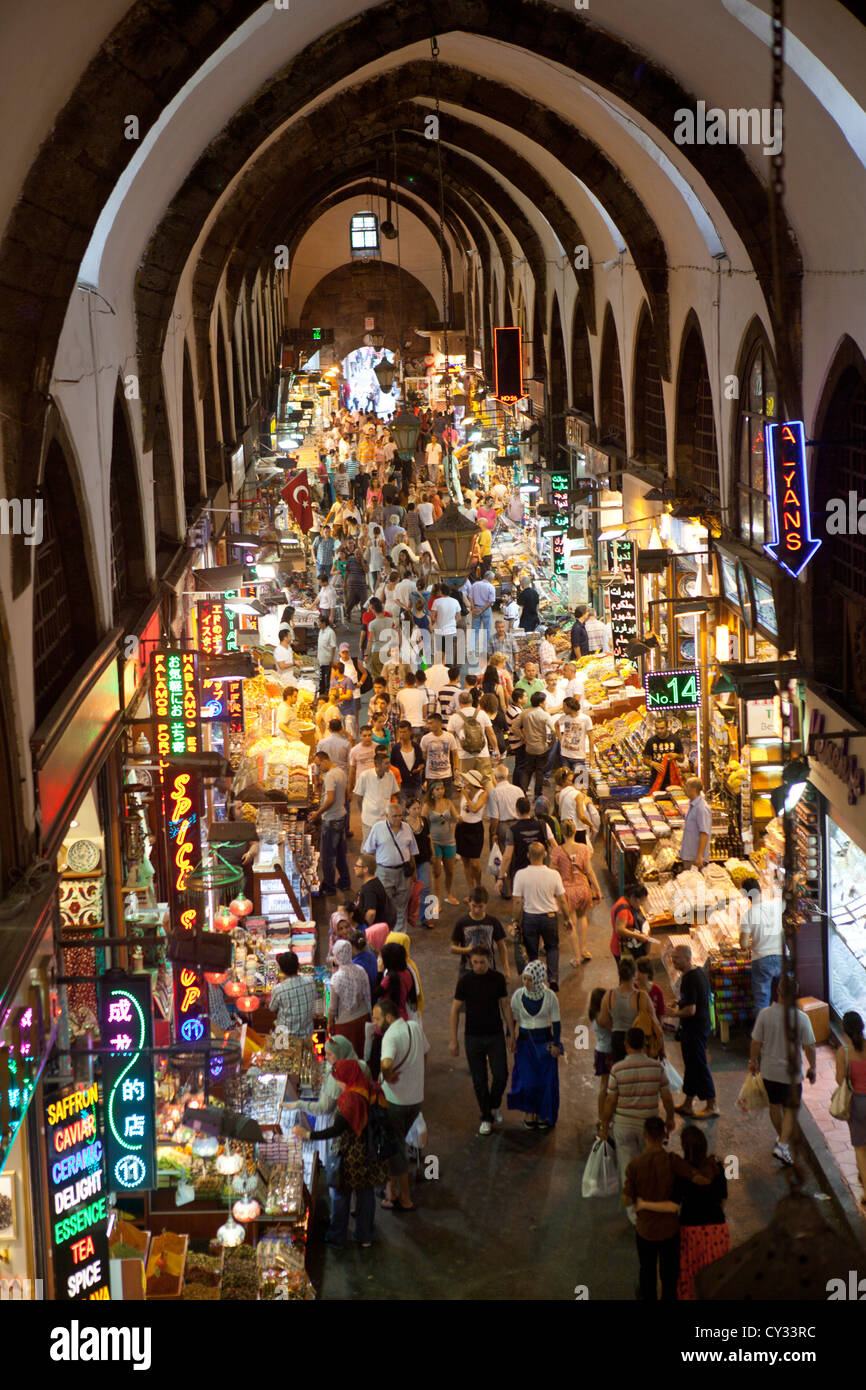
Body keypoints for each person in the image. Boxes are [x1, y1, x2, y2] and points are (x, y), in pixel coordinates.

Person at [291, 1059, 387, 1248]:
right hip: (370, 1151)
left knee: (341, 1194)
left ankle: (337, 1237)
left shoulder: (349, 1099)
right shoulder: (372, 1088)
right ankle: (365, 1236)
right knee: (366, 1194)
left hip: (351, 1155)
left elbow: (336, 1130)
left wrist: (308, 1134)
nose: (337, 1082)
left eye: (338, 1079)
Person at [600, 1027, 676, 1224]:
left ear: (626, 1045)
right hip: (649, 1129)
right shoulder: (657, 1068)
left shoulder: (617, 1069)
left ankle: (635, 1216)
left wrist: (604, 1125)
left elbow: (610, 1102)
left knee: (628, 1169)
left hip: (623, 1127)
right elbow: (667, 1097)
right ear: (645, 1044)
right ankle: (651, 1205)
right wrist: (670, 1118)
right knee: (650, 1168)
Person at [749, 972, 816, 1166]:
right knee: (792, 1109)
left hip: (769, 1071)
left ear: (777, 991)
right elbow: (809, 1046)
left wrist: (752, 1061)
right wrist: (812, 1066)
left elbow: (756, 1042)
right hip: (791, 1074)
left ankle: (782, 1142)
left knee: (775, 1106)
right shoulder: (801, 1018)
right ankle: (782, 1143)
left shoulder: (765, 1015)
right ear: (796, 993)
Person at [450, 945, 515, 1135]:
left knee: (501, 1075)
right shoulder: (465, 981)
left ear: (489, 960)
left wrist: (511, 1034)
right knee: (479, 1080)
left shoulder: (497, 979)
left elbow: (505, 1005)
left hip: (495, 1035)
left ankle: (493, 1105)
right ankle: (486, 1117)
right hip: (473, 1037)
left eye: (481, 962)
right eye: (475, 962)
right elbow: (455, 1010)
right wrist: (453, 1039)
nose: (477, 966)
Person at [621, 1117, 687, 1301]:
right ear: (664, 1135)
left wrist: (633, 1198)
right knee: (669, 1275)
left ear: (644, 1135)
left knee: (647, 1271)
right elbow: (692, 1176)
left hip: (646, 1231)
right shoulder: (673, 1161)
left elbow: (626, 1200)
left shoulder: (634, 1166)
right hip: (670, 1230)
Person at [376, 996, 426, 1211]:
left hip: (395, 1101)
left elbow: (386, 1063)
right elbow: (425, 1051)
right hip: (415, 1099)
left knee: (396, 1150)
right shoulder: (414, 1027)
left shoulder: (390, 1036)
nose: (376, 1023)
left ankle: (405, 1198)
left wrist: (388, 1075)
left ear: (388, 1017)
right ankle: (391, 1190)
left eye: (378, 1019)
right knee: (396, 1145)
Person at [671, 1126, 729, 1300]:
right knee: (716, 1280)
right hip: (716, 1230)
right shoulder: (716, 1166)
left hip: (690, 1231)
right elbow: (723, 1199)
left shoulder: (681, 1171)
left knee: (691, 1279)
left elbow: (675, 1203)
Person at [512, 841, 576, 992]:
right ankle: (553, 978)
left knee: (532, 950)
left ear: (528, 856)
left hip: (530, 918)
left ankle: (534, 980)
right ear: (545, 855)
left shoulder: (521, 875)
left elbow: (516, 901)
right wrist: (567, 919)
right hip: (549, 917)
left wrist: (516, 921)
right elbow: (562, 899)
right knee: (552, 947)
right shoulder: (553, 875)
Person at [506, 961, 563, 1129]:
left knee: (544, 1081)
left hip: (545, 1044)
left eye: (530, 979)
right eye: (524, 978)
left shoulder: (551, 997)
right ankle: (529, 1113)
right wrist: (511, 1038)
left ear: (538, 979)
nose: (526, 982)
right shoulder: (517, 995)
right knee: (527, 1080)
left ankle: (541, 1114)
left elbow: (556, 1024)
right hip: (524, 1045)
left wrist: (556, 1045)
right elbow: (513, 1019)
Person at [668, 943, 718, 1119]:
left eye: (677, 958)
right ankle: (688, 1104)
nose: (673, 961)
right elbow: (692, 1001)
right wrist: (678, 1003)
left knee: (698, 1065)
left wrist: (673, 1013)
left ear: (688, 959)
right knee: (690, 1066)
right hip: (697, 1028)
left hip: (695, 1029)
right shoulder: (696, 974)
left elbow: (691, 1011)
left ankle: (712, 1105)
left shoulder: (690, 979)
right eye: (672, 958)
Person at [550, 818, 600, 966]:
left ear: (562, 833)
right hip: (583, 887)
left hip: (567, 891)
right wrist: (598, 889)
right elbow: (590, 871)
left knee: (570, 922)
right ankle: (584, 949)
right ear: (574, 832)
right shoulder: (584, 849)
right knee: (582, 917)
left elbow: (552, 872)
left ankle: (576, 958)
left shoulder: (557, 851)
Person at [361, 803, 418, 931]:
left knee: (402, 906)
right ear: (386, 816)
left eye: (400, 816)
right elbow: (368, 852)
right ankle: (384, 933)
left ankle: (399, 936)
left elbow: (412, 851)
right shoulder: (377, 828)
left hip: (404, 872)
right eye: (394, 816)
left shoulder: (407, 828)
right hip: (383, 872)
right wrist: (368, 873)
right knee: (384, 905)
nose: (398, 819)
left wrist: (414, 871)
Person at [738, 876, 784, 1013]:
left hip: (762, 960)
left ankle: (763, 1032)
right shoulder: (776, 905)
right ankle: (784, 1030)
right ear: (760, 890)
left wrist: (752, 941)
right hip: (781, 956)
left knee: (762, 1001)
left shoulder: (748, 915)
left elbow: (743, 944)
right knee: (783, 997)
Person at [310, 750, 350, 896]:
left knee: (327, 856)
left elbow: (330, 799)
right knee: (340, 853)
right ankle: (345, 882)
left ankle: (329, 886)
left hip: (331, 819)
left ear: (324, 761)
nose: (318, 768)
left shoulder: (330, 776)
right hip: (341, 816)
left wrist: (317, 813)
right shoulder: (340, 772)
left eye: (318, 765)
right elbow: (345, 794)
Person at [836, 1010, 866, 1207]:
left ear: (844, 1029)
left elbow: (840, 1080)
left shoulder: (843, 1052)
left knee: (860, 1148)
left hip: (856, 1104)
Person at [496, 796, 550, 898]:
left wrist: (500, 877)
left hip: (521, 873)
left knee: (522, 902)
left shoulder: (512, 830)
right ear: (530, 809)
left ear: (516, 810)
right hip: (541, 871)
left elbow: (507, 856)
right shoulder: (542, 825)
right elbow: (554, 846)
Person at [451, 886, 509, 977]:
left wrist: (506, 969)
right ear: (468, 902)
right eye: (474, 906)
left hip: (489, 969)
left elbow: (501, 946)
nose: (477, 910)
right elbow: (452, 948)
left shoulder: (493, 922)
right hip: (467, 971)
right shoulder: (461, 923)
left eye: (480, 906)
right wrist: (466, 950)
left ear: (486, 904)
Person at [328, 939, 373, 1055]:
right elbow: (367, 994)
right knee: (363, 1053)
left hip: (345, 1024)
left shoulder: (336, 978)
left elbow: (332, 1008)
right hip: (364, 1017)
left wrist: (329, 1024)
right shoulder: (360, 970)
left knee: (348, 1056)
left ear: (337, 955)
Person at [598, 957, 643, 1063]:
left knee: (620, 1072)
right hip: (637, 1040)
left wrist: (614, 1028)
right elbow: (652, 1020)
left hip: (617, 1039)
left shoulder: (609, 995)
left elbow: (602, 1021)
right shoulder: (641, 996)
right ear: (635, 974)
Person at [512, 690, 556, 799]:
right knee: (540, 771)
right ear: (541, 703)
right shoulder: (544, 715)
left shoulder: (525, 713)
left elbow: (514, 727)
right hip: (542, 747)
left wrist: (522, 737)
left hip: (529, 748)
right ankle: (538, 794)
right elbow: (553, 730)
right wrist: (551, 741)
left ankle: (523, 792)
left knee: (528, 770)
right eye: (545, 701)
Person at [424, 779, 460, 906]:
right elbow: (424, 825)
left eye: (442, 789)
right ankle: (437, 899)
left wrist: (458, 817)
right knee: (437, 872)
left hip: (449, 841)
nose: (440, 791)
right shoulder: (428, 806)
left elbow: (456, 818)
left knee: (450, 871)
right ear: (432, 791)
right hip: (435, 842)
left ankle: (449, 894)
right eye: (437, 789)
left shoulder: (449, 803)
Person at [354, 748, 400, 845]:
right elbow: (358, 796)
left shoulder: (390, 775)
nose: (389, 766)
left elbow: (395, 792)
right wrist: (363, 811)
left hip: (385, 820)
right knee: (368, 847)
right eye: (386, 763)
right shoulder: (365, 776)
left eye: (389, 762)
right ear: (378, 765)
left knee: (384, 845)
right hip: (369, 819)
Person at [455, 769, 490, 889]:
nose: (464, 781)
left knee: (475, 863)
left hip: (475, 829)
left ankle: (478, 886)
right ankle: (471, 890)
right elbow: (462, 809)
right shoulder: (463, 792)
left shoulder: (483, 793)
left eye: (466, 780)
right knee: (465, 862)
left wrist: (466, 796)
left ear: (471, 782)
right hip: (462, 827)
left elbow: (475, 808)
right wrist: (458, 816)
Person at [448, 691, 497, 776]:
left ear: (459, 702)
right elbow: (491, 733)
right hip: (482, 753)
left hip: (463, 756)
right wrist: (496, 750)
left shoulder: (454, 717)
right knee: (486, 780)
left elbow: (449, 738)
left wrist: (449, 758)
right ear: (472, 701)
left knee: (465, 783)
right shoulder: (482, 714)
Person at [270, 951, 316, 1037]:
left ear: (281, 969)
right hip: (307, 1035)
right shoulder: (310, 981)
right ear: (298, 966)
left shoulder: (279, 989)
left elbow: (272, 1008)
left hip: (285, 1038)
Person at [642, 716, 689, 791]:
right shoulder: (651, 741)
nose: (659, 731)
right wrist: (652, 763)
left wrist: (676, 756)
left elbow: (681, 758)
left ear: (667, 727)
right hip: (656, 778)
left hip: (672, 778)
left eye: (662, 728)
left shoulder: (675, 739)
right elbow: (645, 760)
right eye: (657, 728)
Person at [420, 710, 460, 798]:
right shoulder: (425, 739)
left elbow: (455, 753)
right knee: (431, 801)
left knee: (447, 799)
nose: (429, 726)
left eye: (431, 723)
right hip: (431, 775)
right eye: (428, 723)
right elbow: (424, 756)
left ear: (438, 723)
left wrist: (456, 768)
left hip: (446, 774)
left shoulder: (449, 737)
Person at [352, 852, 397, 931]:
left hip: (376, 930)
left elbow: (371, 913)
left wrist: (365, 930)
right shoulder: (375, 881)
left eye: (357, 866)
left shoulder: (369, 889)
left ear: (366, 869)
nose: (354, 868)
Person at [588, 987, 614, 1124]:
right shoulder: (602, 1017)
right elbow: (614, 1029)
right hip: (606, 1052)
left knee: (606, 1085)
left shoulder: (594, 1013)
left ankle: (603, 1115)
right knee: (605, 1086)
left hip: (601, 1050)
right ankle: (601, 1117)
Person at [376, 940, 419, 1022]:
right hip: (403, 1016)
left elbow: (376, 993)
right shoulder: (407, 971)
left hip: (390, 1018)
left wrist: (379, 972)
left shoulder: (390, 978)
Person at [485, 764, 524, 853]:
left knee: (501, 857)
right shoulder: (518, 790)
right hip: (518, 825)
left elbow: (495, 817)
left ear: (494, 777)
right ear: (508, 775)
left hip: (502, 828)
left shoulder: (494, 793)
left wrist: (493, 833)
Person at [610, 884, 651, 962]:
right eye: (640, 902)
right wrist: (639, 936)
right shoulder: (623, 910)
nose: (640, 905)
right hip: (622, 949)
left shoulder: (625, 900)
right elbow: (619, 929)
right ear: (633, 897)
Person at [680, 777, 712, 869]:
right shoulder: (692, 804)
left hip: (694, 858)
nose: (684, 788)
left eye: (686, 786)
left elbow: (704, 833)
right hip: (688, 854)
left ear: (693, 789)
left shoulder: (701, 808)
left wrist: (699, 856)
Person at [390, 721, 423, 802]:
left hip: (415, 783)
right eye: (400, 732)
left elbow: (422, 762)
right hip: (402, 785)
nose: (402, 734)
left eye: (404, 732)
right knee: (403, 809)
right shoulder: (395, 749)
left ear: (410, 732)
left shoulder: (416, 747)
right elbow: (392, 767)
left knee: (417, 807)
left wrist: (419, 768)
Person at [347, 723, 377, 799]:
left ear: (372, 735)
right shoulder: (354, 750)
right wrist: (350, 789)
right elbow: (352, 770)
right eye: (364, 735)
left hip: (376, 783)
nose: (367, 737)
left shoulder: (377, 747)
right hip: (361, 785)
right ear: (360, 736)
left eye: (369, 735)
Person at [317, 615, 338, 698]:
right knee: (322, 677)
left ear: (324, 623)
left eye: (319, 622)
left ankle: (328, 693)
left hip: (328, 660)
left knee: (328, 678)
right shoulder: (320, 631)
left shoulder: (330, 632)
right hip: (321, 659)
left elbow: (333, 647)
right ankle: (322, 692)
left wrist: (331, 659)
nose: (318, 624)